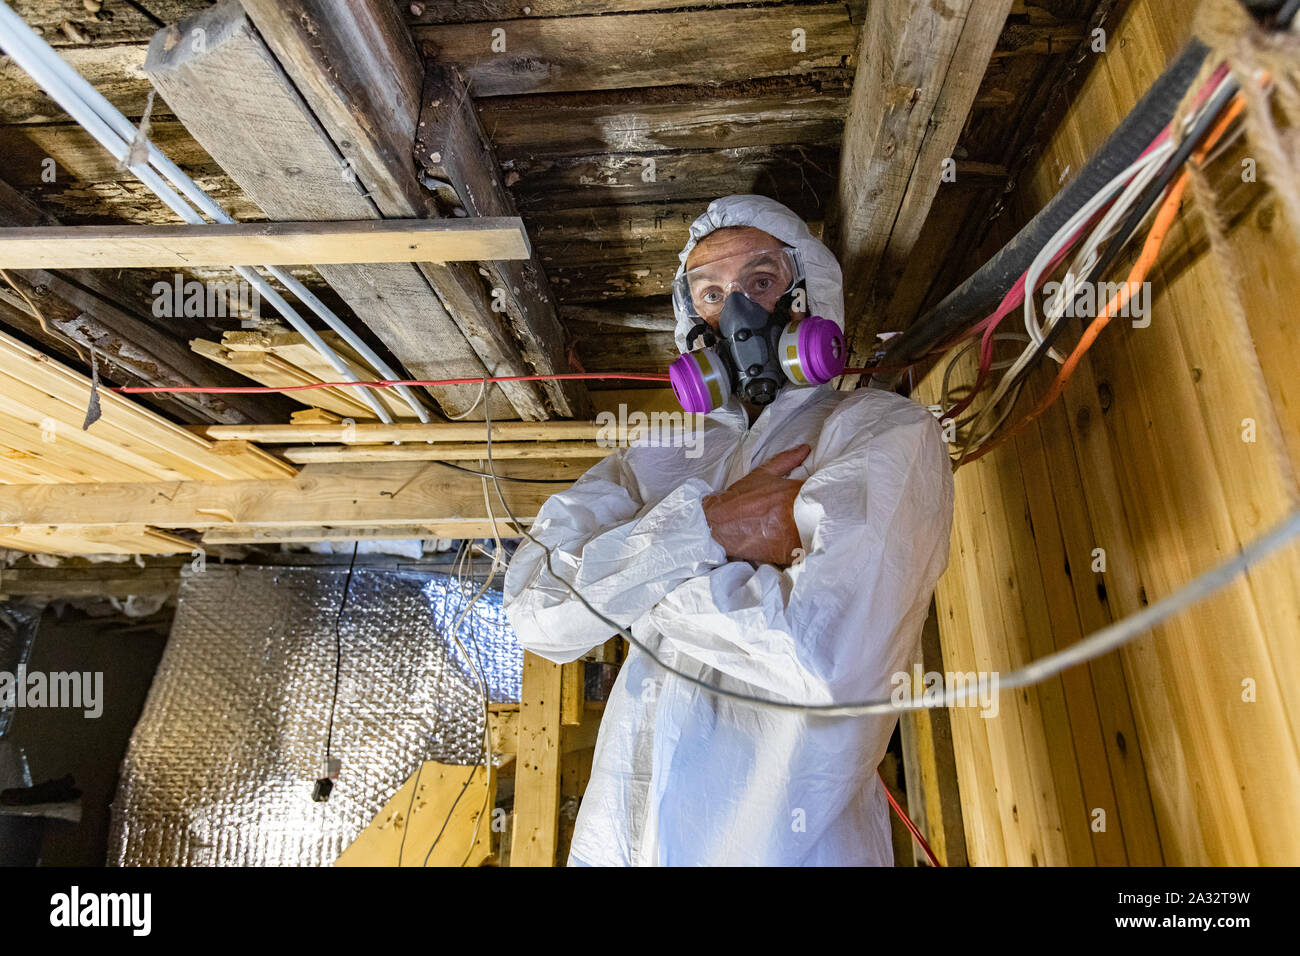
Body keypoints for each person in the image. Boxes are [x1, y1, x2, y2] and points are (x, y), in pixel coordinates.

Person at [503, 194, 955, 866]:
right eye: (710, 293)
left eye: (762, 283)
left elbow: (823, 660)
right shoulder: (651, 459)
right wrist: (707, 530)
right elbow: (537, 614)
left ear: (809, 302)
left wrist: (629, 580)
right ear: (693, 325)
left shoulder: (881, 432)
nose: (736, 313)